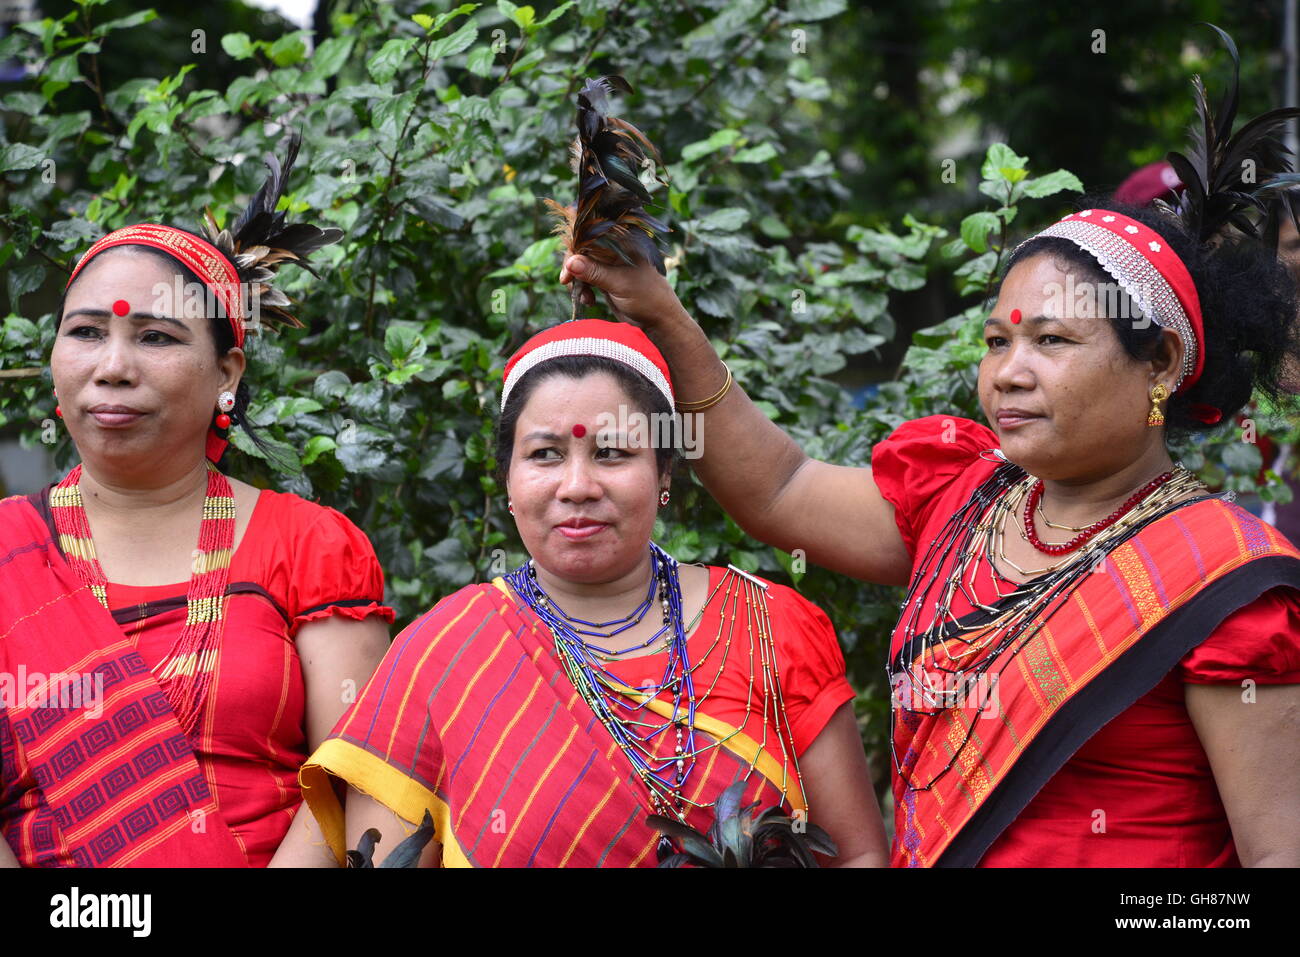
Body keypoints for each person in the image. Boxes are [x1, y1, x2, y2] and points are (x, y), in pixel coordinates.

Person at [552, 84, 1300, 865]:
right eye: (995, 341)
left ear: (1162, 361)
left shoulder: (1223, 582)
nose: (1008, 373)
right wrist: (662, 313)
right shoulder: (960, 498)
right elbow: (778, 488)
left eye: (1051, 341)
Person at [299, 319, 888, 867]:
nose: (577, 486)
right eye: (545, 454)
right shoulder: (442, 653)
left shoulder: (770, 628)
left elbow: (858, 855)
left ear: (664, 474)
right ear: (507, 478)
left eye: (612, 452)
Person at [0, 140, 393, 868]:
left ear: (227, 374)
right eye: (86, 332)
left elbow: (359, 784)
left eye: (155, 337)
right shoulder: (6, 553)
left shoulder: (310, 548)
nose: (112, 367)